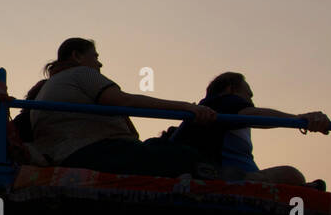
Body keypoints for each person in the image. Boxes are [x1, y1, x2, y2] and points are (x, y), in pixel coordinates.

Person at [26, 38, 216, 177]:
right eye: (95, 56)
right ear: (76, 56)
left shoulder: (50, 87)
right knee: (184, 155)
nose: (100, 63)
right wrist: (185, 107)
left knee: (159, 147)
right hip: (95, 152)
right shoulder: (81, 73)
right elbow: (124, 101)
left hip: (67, 155)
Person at [172, 72, 330, 187]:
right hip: (219, 174)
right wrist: (301, 120)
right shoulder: (223, 102)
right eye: (248, 94)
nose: (251, 100)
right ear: (230, 89)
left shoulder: (218, 112)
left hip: (225, 171)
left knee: (293, 178)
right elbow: (253, 115)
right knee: (291, 174)